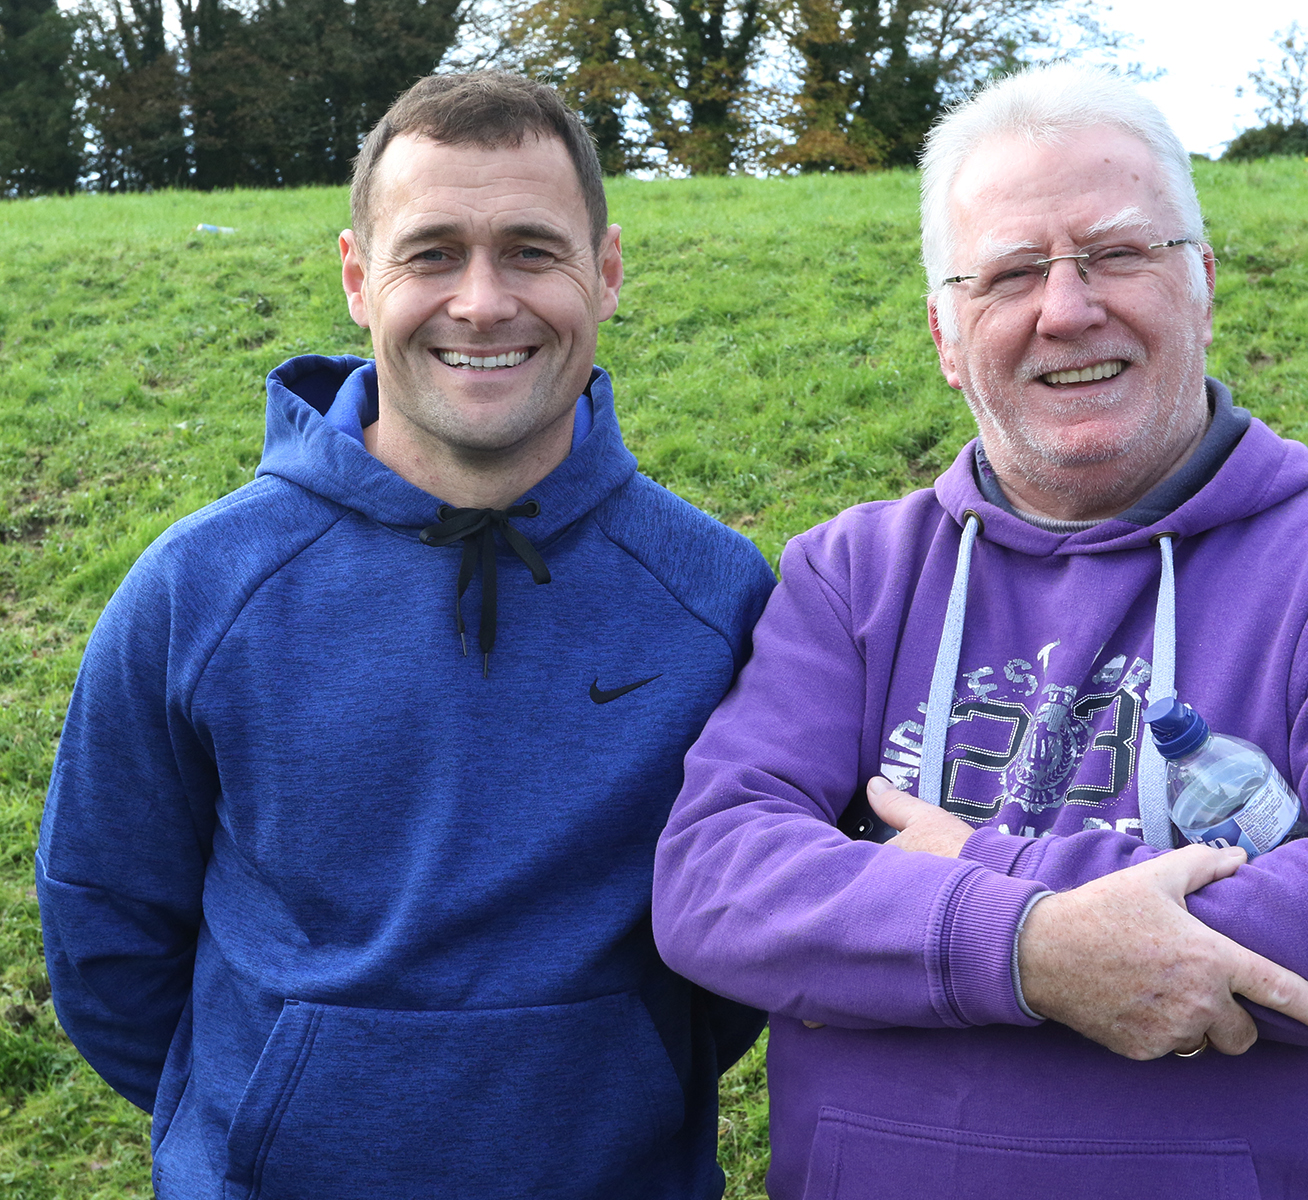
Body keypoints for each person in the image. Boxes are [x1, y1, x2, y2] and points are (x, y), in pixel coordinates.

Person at [653, 62, 1308, 1200]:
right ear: (947, 335)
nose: (1067, 308)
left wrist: (971, 871)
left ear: (1202, 282)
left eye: (1115, 253)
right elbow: (716, 880)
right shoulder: (851, 575)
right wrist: (1034, 949)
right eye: (1008, 273)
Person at [37, 72, 774, 1200]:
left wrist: (612, 1079)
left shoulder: (717, 594)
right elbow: (106, 930)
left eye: (532, 250)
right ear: (356, 277)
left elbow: (741, 951)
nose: (482, 302)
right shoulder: (198, 586)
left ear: (608, 272)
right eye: (431, 253)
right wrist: (286, 1118)